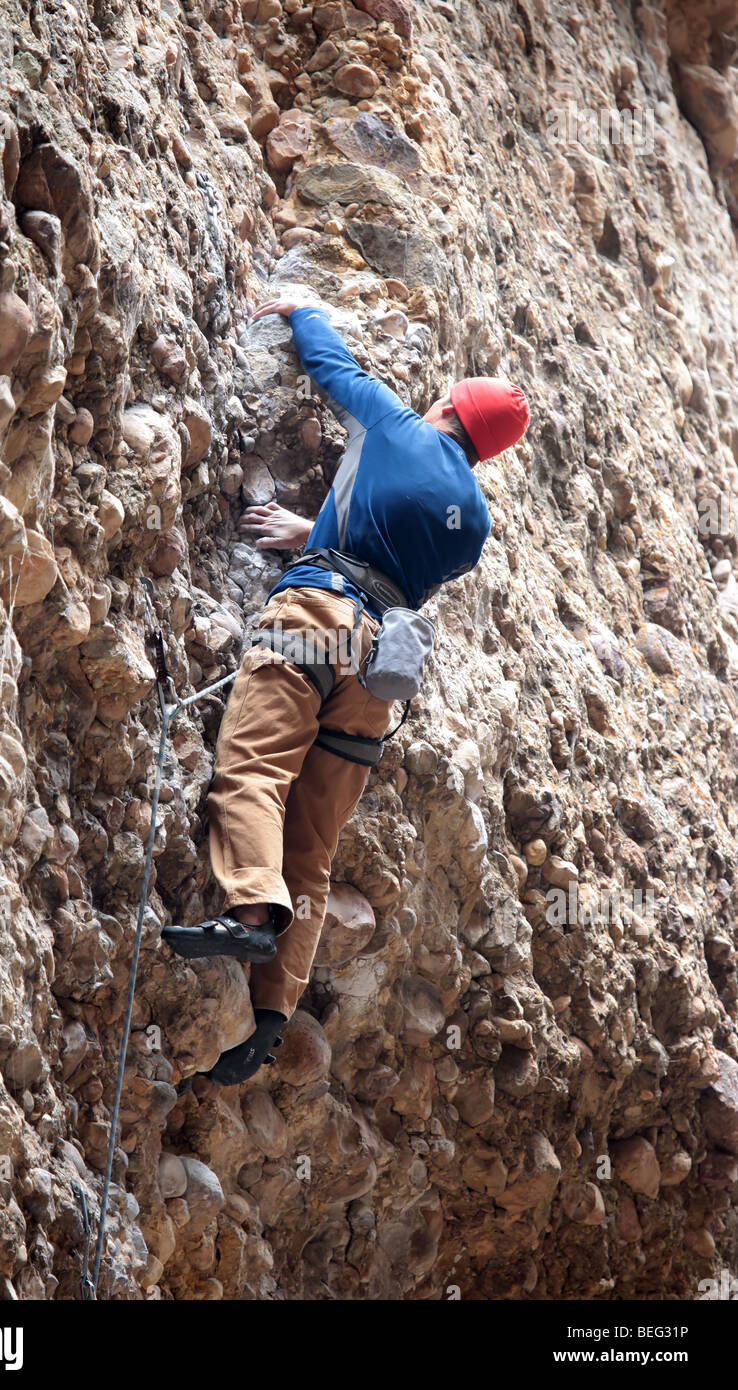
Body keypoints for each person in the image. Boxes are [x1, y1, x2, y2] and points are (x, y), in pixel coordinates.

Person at [164, 298, 530, 1085]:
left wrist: (307, 309)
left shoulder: (400, 426)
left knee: (255, 769)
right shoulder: (475, 522)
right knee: (316, 842)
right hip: (377, 669)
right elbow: (392, 556)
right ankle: (269, 1015)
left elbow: (334, 371)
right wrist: (315, 529)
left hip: (313, 618)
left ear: (448, 408)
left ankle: (250, 913)